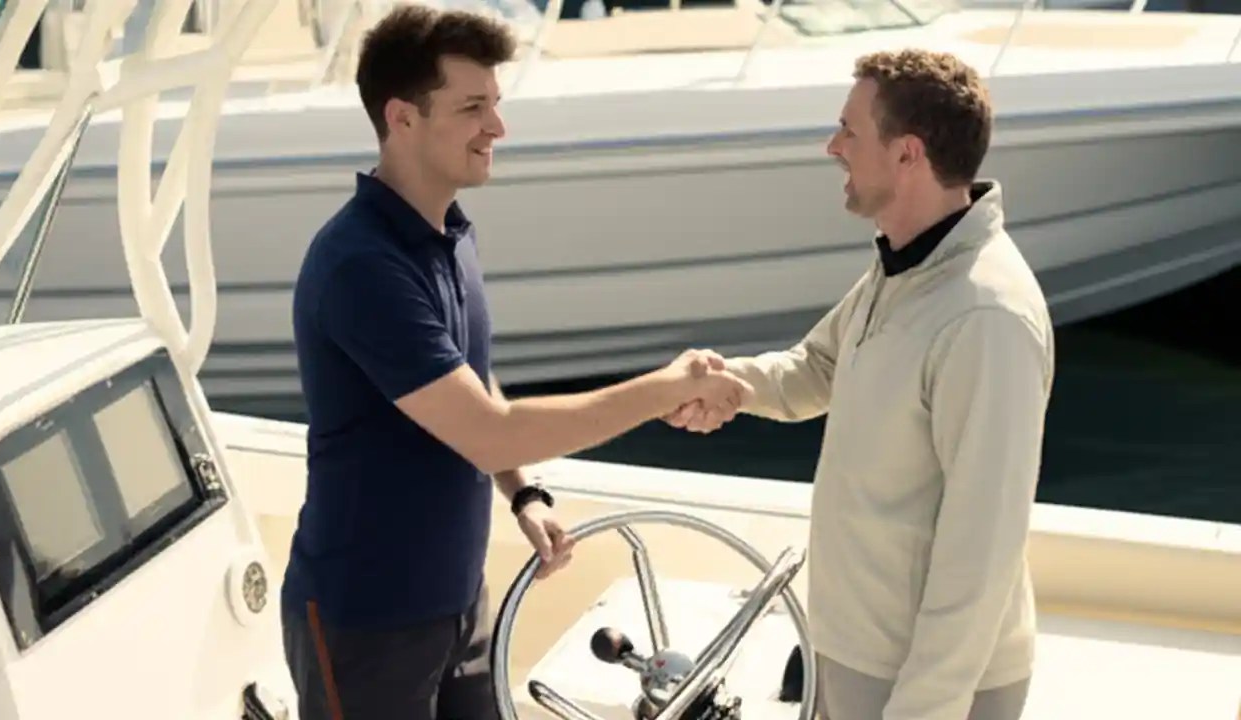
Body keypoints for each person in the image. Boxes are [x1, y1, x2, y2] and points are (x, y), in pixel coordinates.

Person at [280, 4, 752, 720]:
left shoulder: (448, 235)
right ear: (402, 118)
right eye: (473, 108)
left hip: (459, 602)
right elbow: (490, 430)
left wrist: (523, 492)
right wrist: (666, 389)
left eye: (495, 105)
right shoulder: (361, 267)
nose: (496, 128)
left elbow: (465, 377)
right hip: (366, 621)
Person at [666, 49, 1054, 720]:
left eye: (849, 130)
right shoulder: (904, 268)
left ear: (907, 154)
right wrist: (722, 383)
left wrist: (924, 707)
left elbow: (981, 550)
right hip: (850, 655)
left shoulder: (986, 316)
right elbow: (815, 371)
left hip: (924, 686)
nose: (832, 146)